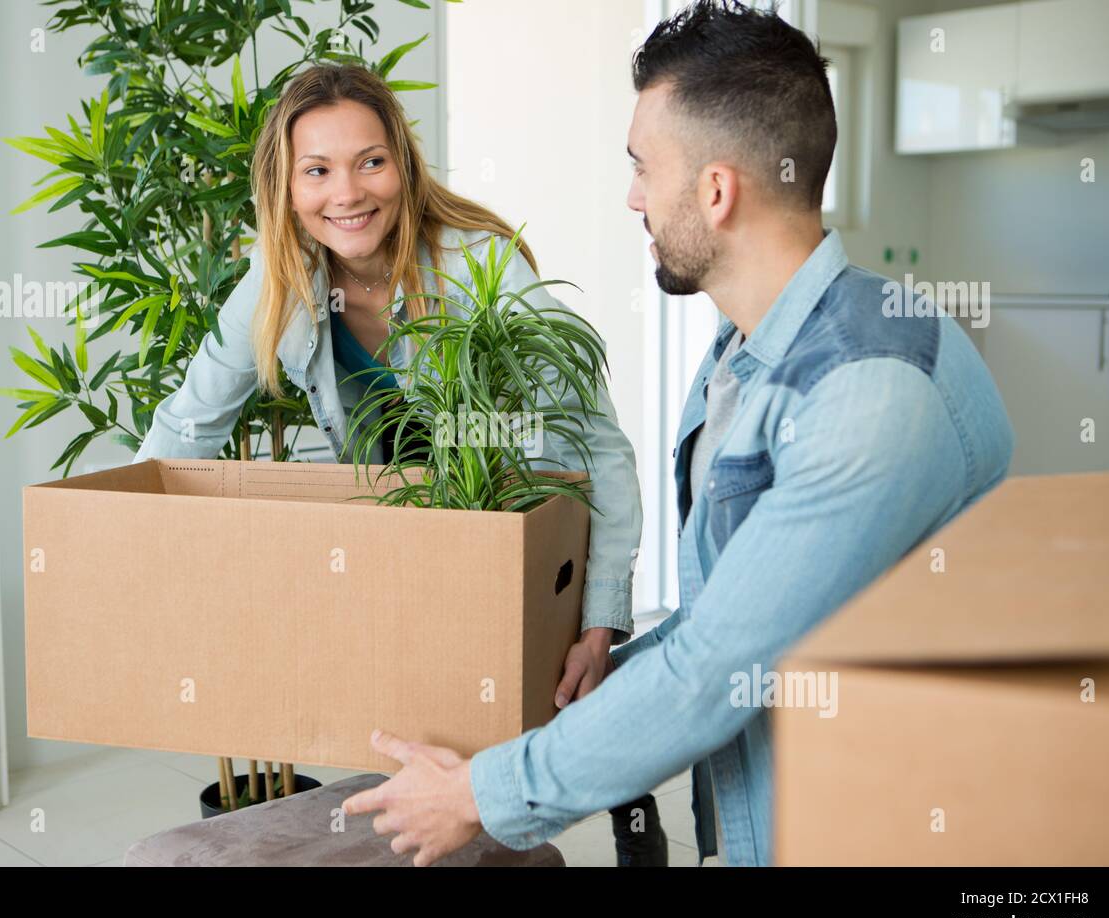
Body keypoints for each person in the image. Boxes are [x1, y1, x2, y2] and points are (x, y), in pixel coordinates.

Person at [341, 0, 1015, 866]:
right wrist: (610, 677)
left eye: (641, 167)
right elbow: (731, 617)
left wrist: (478, 796)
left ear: (716, 190)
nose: (631, 197)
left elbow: (714, 671)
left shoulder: (867, 390)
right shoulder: (744, 355)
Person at [132, 65, 666, 864]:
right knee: (432, 748)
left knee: (527, 727)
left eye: (369, 161)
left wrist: (599, 618)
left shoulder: (479, 263)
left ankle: (620, 798)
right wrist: (114, 535)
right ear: (285, 187)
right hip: (412, 545)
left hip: (507, 531)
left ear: (403, 166)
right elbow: (188, 422)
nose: (346, 192)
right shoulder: (280, 286)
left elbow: (595, 441)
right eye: (316, 170)